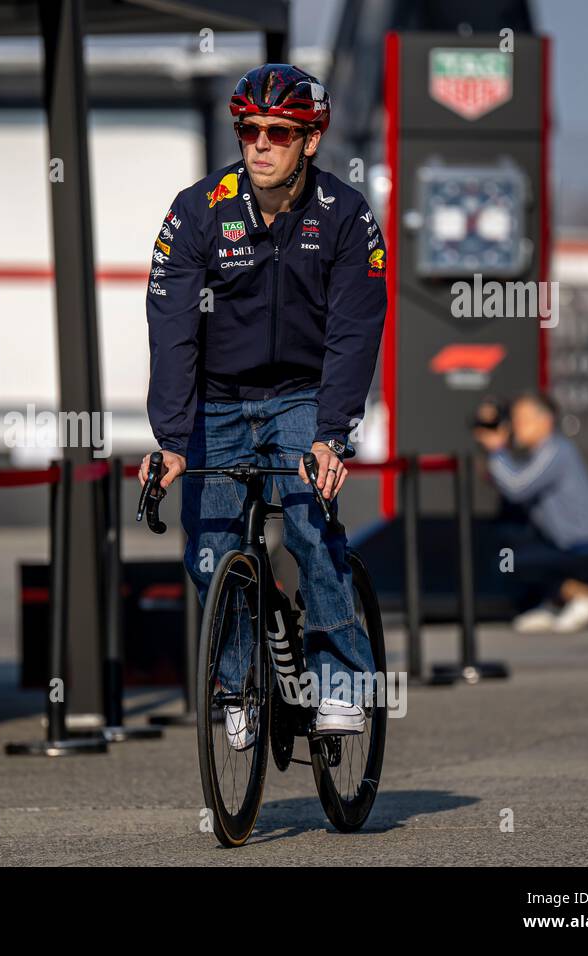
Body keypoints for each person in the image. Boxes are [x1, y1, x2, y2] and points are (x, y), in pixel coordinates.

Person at [138, 64, 386, 741]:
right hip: (216, 403)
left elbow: (355, 331)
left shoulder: (346, 216)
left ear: (310, 139)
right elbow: (172, 328)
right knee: (213, 554)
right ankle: (237, 685)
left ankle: (339, 682)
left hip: (303, 397)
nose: (261, 144)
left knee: (309, 529)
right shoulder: (198, 210)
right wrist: (171, 439)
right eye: (249, 130)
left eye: (279, 131)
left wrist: (332, 434)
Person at [474, 392, 588, 633]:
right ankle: (557, 602)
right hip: (563, 545)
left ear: (546, 420)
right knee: (507, 542)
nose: (515, 427)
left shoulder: (555, 451)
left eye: (522, 420)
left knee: (510, 562)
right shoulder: (538, 454)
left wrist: (497, 450)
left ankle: (586, 596)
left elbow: (517, 487)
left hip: (586, 550)